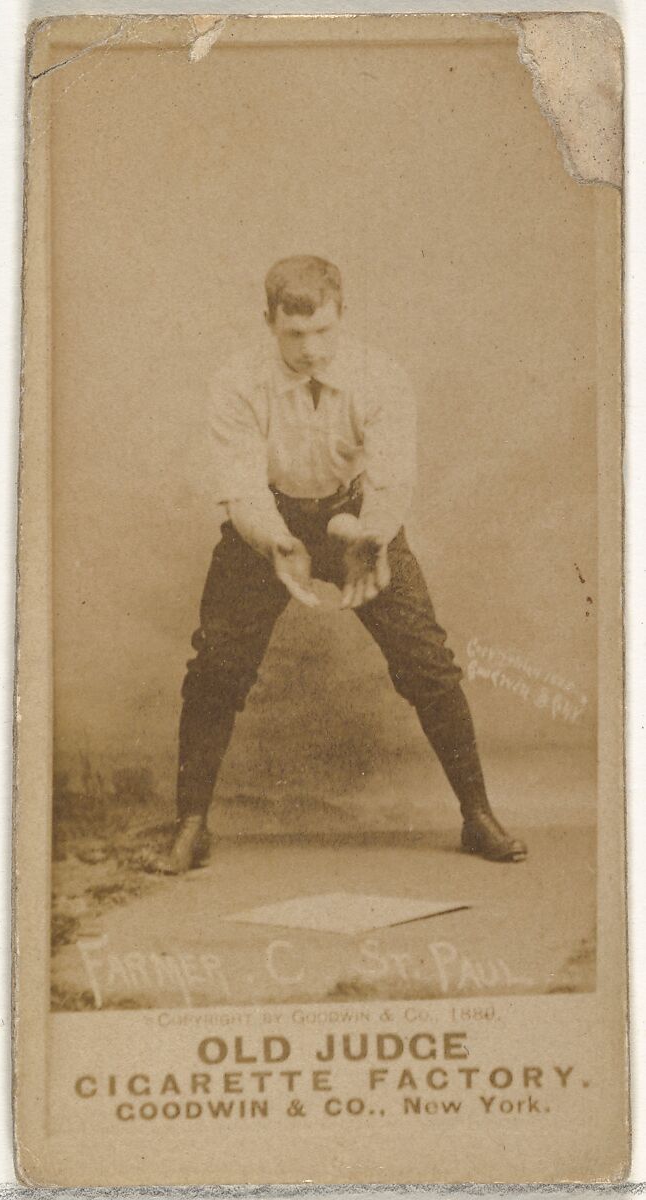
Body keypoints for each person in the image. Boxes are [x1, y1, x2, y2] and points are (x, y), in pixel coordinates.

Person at [156, 255, 527, 873]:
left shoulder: (380, 376)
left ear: (342, 316)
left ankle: (478, 815)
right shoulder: (237, 381)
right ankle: (191, 825)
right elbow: (242, 489)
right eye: (295, 333)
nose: (311, 348)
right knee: (216, 665)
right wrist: (277, 542)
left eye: (324, 330)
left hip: (357, 521)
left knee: (428, 662)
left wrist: (369, 534)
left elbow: (391, 479)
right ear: (269, 321)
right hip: (267, 522)